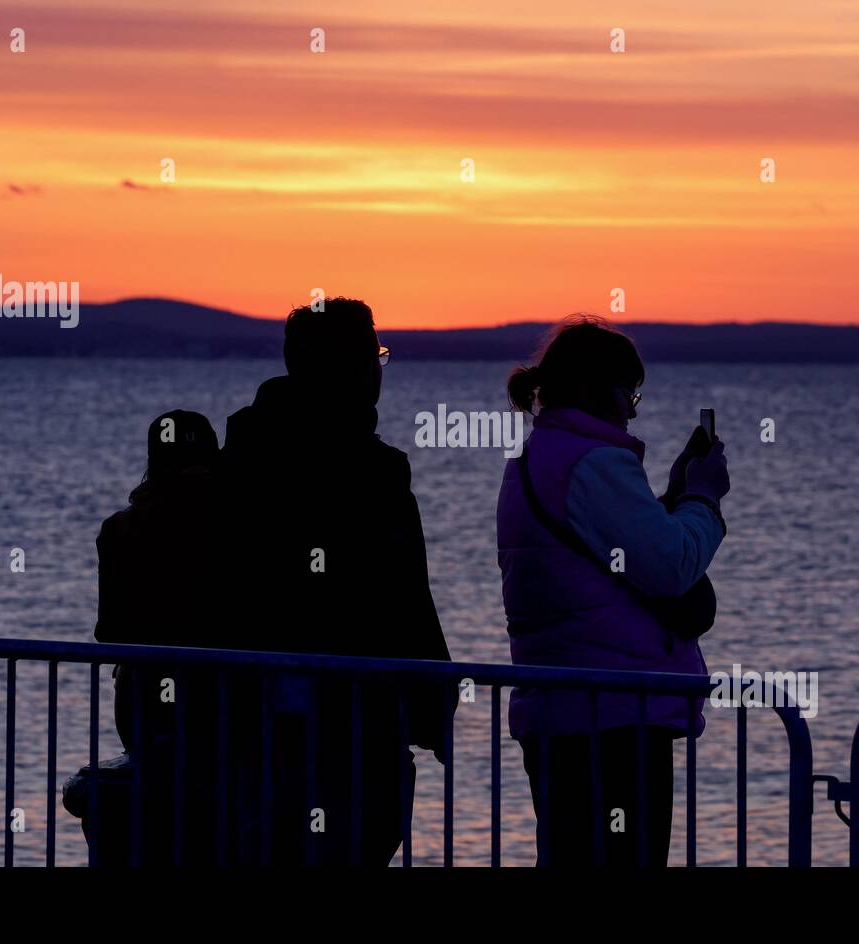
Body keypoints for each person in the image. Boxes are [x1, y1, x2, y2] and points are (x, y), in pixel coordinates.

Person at [222, 296, 454, 866]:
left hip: (250, 711)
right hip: (356, 713)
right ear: (352, 368)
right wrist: (433, 699)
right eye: (376, 354)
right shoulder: (374, 471)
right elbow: (404, 594)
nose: (380, 367)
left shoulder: (239, 458)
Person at [496, 316, 730, 866]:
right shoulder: (593, 462)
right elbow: (672, 565)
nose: (632, 410)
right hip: (614, 714)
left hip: (562, 708)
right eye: (632, 394)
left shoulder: (536, 460)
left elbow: (619, 554)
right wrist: (705, 498)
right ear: (605, 391)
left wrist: (671, 495)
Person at [91, 409, 228, 864]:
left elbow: (108, 632)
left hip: (141, 701)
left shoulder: (119, 530)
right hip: (224, 704)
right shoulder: (237, 526)